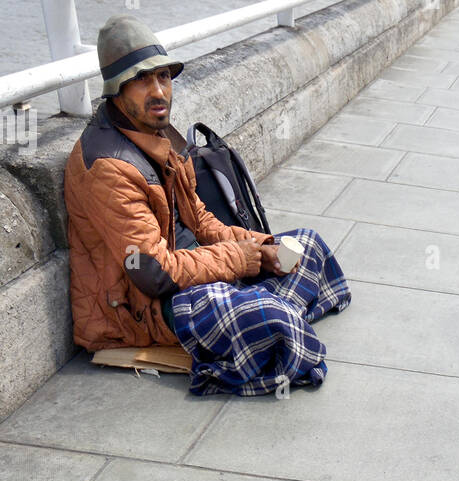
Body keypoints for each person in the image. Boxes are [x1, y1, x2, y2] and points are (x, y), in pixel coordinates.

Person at [64, 16, 350, 396]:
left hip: (195, 269)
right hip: (145, 308)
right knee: (269, 315)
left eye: (163, 78)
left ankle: (252, 320)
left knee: (307, 246)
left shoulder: (158, 131)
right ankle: (264, 315)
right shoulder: (108, 169)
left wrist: (260, 245)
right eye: (143, 81)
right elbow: (153, 272)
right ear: (117, 91)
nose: (159, 92)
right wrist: (241, 260)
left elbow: (199, 219)